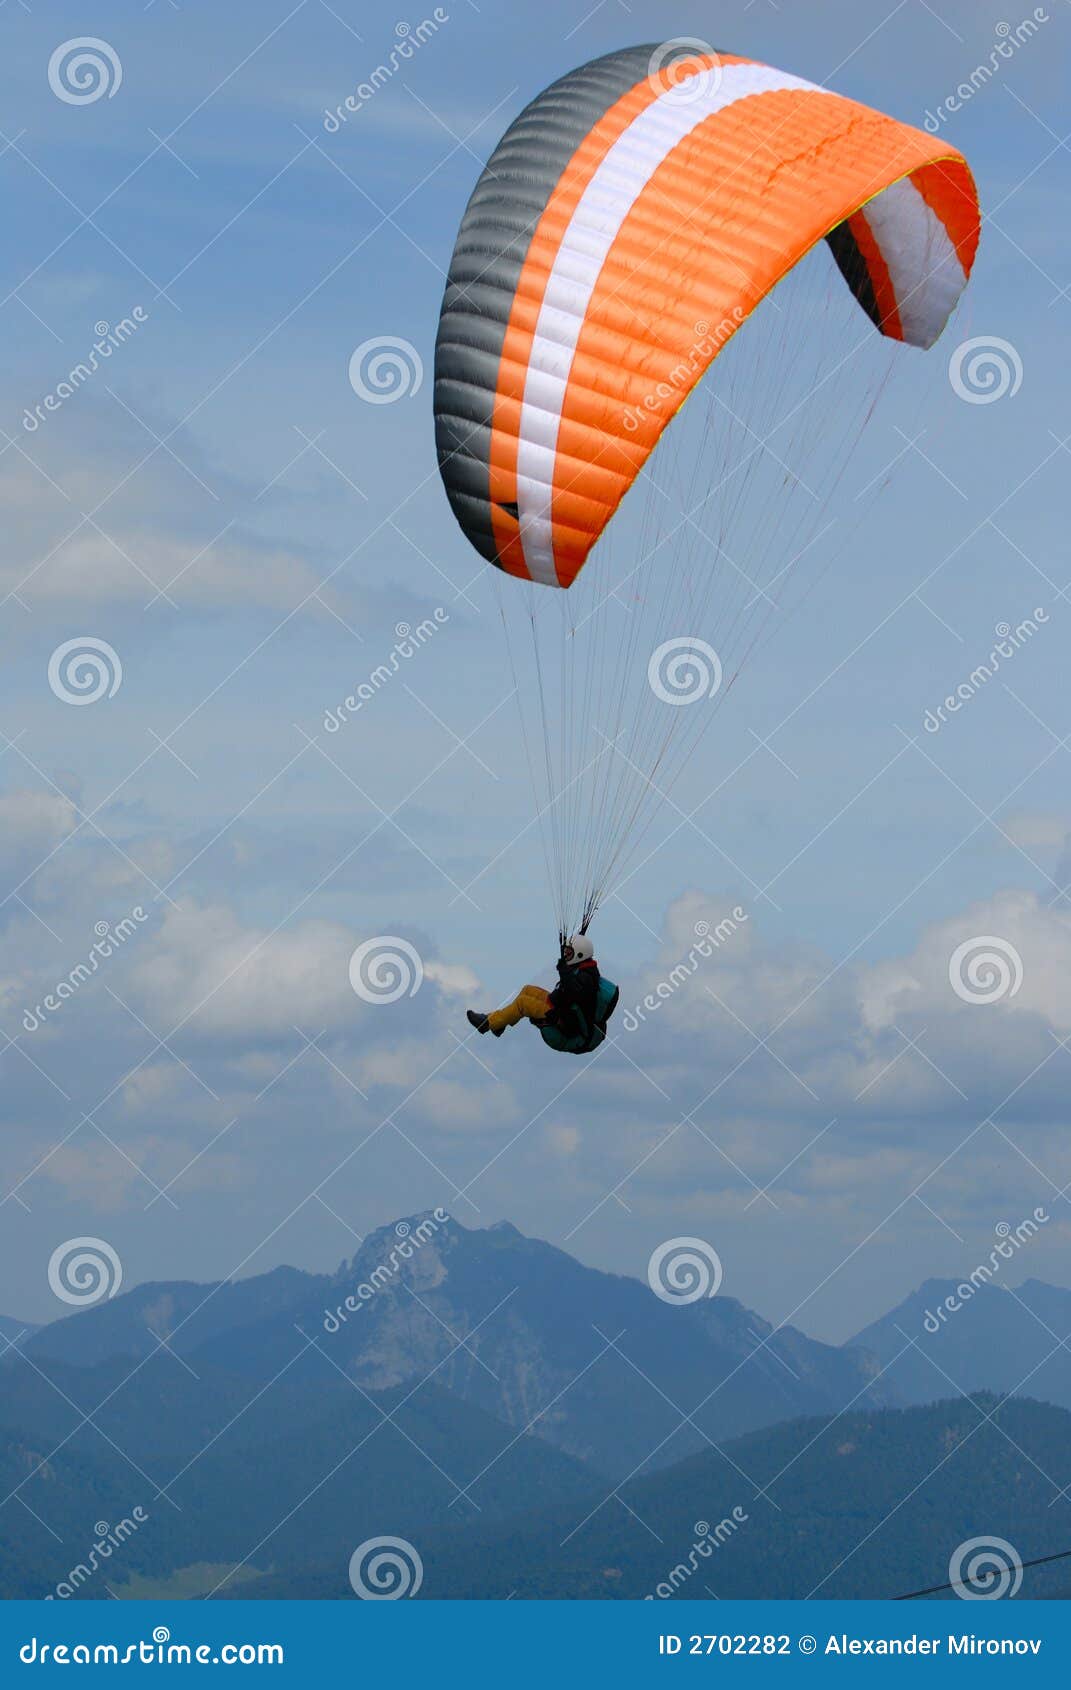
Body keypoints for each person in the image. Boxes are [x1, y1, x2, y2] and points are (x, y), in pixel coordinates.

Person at [467, 934, 618, 1055]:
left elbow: (575, 994)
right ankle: (500, 1023)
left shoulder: (587, 978)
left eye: (569, 952)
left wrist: (564, 972)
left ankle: (488, 1024)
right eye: (566, 951)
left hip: (570, 1027)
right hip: (564, 1011)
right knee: (528, 990)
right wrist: (566, 971)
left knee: (523, 1003)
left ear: (579, 954)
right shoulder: (582, 968)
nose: (565, 955)